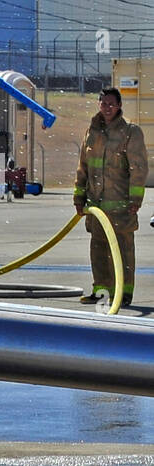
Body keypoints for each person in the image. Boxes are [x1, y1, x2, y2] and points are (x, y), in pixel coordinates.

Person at [75, 88, 145, 308]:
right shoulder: (91, 132)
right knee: (98, 250)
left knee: (123, 250)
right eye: (103, 103)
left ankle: (124, 293)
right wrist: (79, 196)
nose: (107, 108)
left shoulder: (130, 132)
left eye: (111, 104)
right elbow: (83, 167)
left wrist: (135, 200)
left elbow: (138, 169)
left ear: (119, 105)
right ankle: (101, 290)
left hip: (122, 207)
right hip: (96, 206)